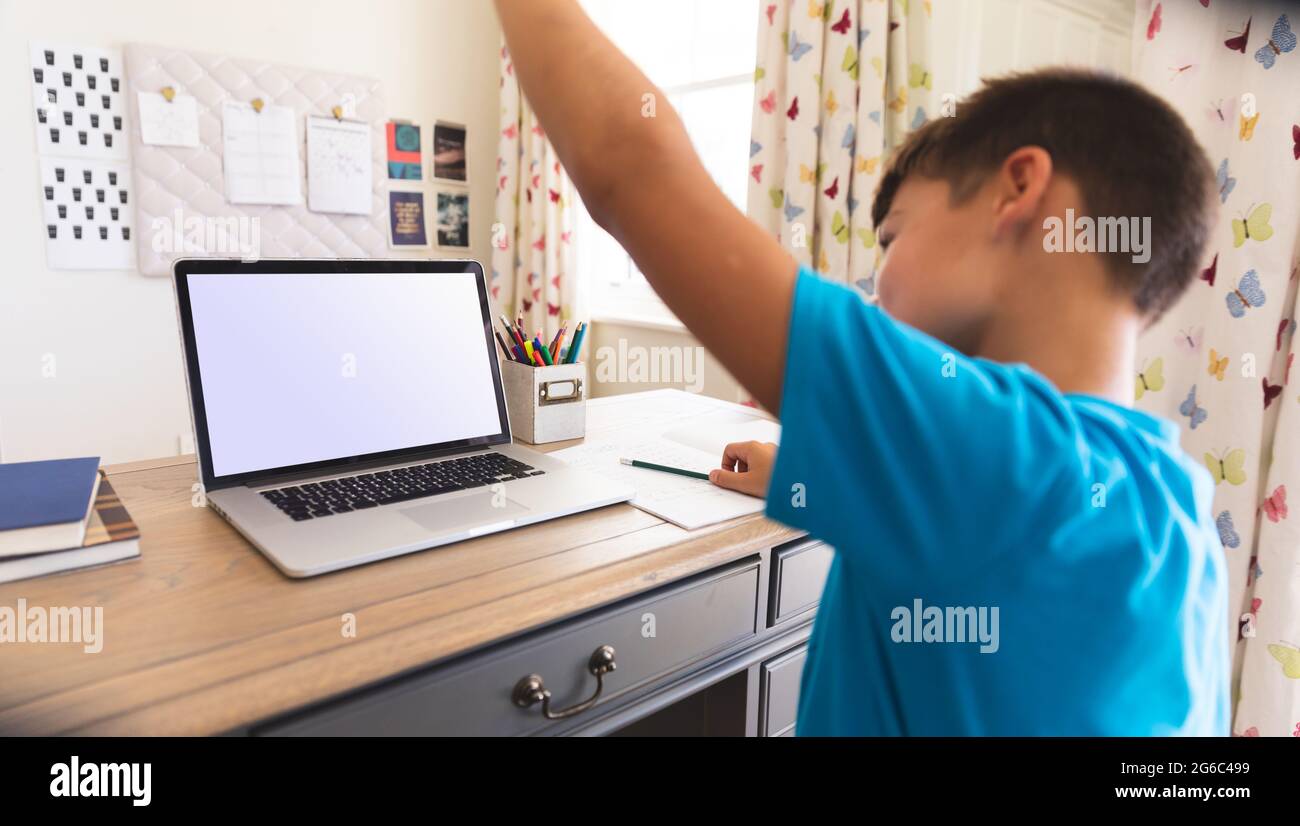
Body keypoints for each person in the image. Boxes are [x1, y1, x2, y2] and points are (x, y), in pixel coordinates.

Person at [493, 0, 1228, 735]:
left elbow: (629, 165)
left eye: (892, 235)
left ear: (1017, 190)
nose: (877, 282)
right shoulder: (1174, 502)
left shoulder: (994, 456)